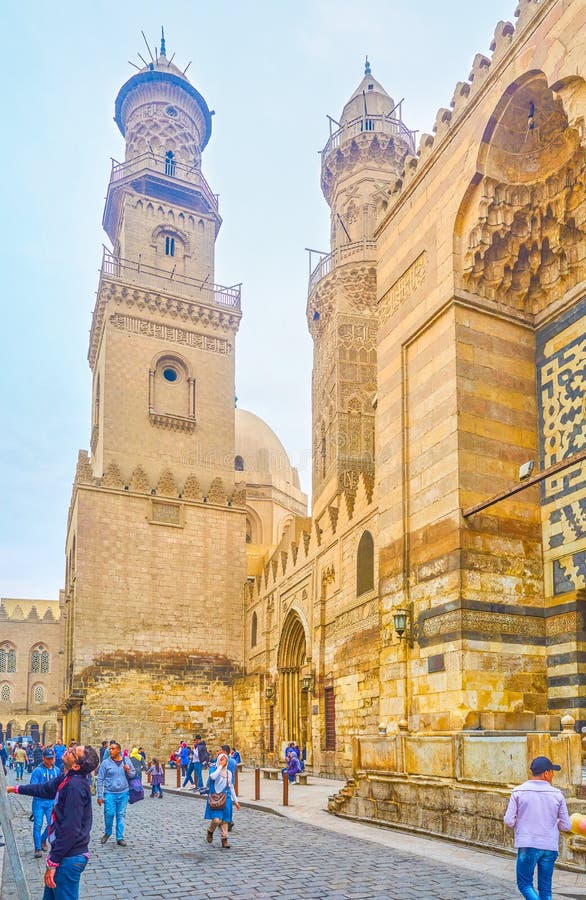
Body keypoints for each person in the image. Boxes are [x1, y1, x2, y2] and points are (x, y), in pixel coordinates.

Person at [7, 743, 99, 900]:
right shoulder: (67, 778)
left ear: (76, 765)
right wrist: (15, 789)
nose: (67, 750)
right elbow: (45, 789)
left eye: (73, 752)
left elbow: (71, 830)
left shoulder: (75, 787)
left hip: (70, 858)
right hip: (64, 856)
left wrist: (53, 862)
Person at [504, 755, 572, 900]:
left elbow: (509, 821)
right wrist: (555, 821)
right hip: (549, 845)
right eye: (552, 772)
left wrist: (522, 821)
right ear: (546, 773)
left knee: (525, 884)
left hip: (527, 845)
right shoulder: (557, 795)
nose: (553, 775)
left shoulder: (518, 792)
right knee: (545, 889)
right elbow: (566, 826)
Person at [96, 741, 131, 847]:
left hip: (123, 793)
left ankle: (120, 837)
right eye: (110, 749)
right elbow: (100, 779)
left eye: (113, 749)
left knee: (121, 815)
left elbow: (133, 774)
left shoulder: (126, 760)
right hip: (109, 793)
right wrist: (99, 795)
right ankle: (107, 832)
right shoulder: (105, 763)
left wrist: (128, 771)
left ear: (118, 750)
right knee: (109, 814)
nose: (110, 750)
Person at [204, 752, 240, 849]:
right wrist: (220, 766)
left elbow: (231, 787)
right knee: (216, 820)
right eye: (221, 759)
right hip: (215, 797)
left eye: (225, 760)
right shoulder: (214, 769)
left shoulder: (229, 773)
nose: (223, 761)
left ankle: (224, 839)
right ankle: (210, 831)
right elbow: (213, 777)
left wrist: (236, 801)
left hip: (226, 798)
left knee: (225, 820)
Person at [29, 747, 59, 858]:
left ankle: (43, 838)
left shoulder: (57, 770)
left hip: (51, 802)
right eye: (48, 758)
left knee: (52, 823)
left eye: (52, 758)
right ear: (43, 758)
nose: (50, 761)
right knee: (38, 824)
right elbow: (33, 787)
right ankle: (37, 848)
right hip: (39, 802)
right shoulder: (38, 771)